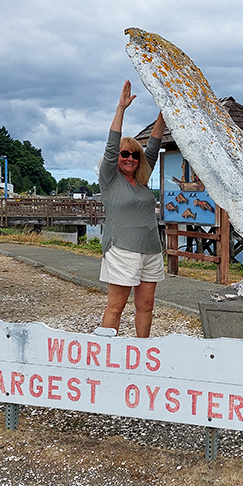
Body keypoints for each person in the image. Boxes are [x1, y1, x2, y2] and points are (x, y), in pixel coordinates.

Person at [98, 79, 166, 337]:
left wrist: (164, 111)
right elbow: (112, 145)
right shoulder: (110, 179)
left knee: (146, 305)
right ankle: (105, 353)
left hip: (150, 249)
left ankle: (141, 351)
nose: (130, 158)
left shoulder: (141, 179)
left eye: (134, 155)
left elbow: (154, 144)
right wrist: (121, 108)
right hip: (122, 250)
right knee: (116, 306)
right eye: (125, 154)